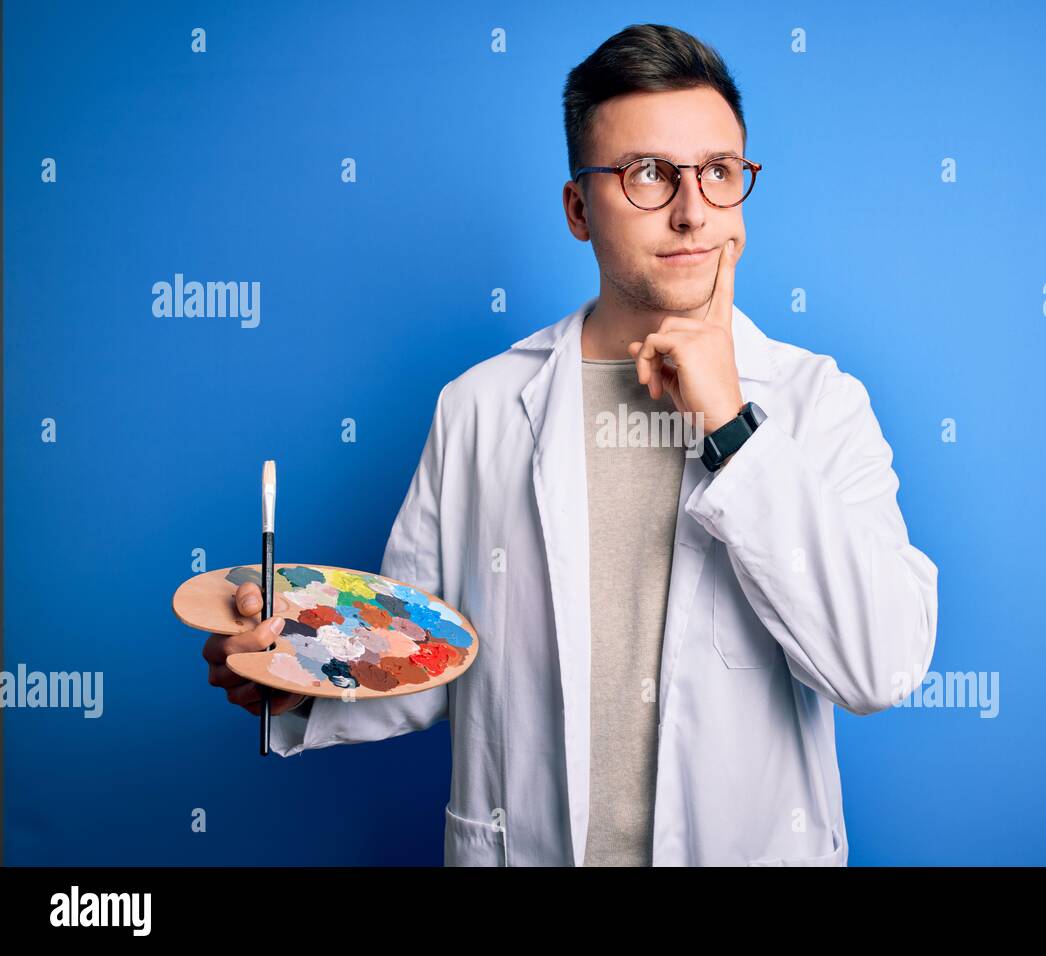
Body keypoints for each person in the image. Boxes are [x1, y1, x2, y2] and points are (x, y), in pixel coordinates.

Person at [203, 23, 938, 866]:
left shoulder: (817, 403)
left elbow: (879, 666)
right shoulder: (479, 408)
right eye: (648, 175)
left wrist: (734, 424)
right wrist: (290, 679)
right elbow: (420, 652)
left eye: (720, 173)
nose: (693, 209)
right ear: (578, 209)